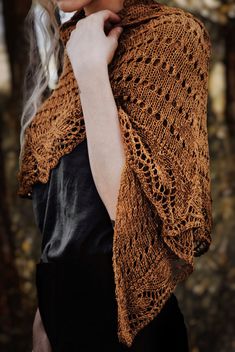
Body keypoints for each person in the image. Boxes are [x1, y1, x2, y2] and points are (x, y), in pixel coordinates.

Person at [17, 0, 213, 350]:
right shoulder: (74, 49)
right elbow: (63, 227)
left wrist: (92, 74)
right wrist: (42, 324)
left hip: (130, 331)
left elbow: (135, 222)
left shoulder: (171, 37)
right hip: (58, 328)